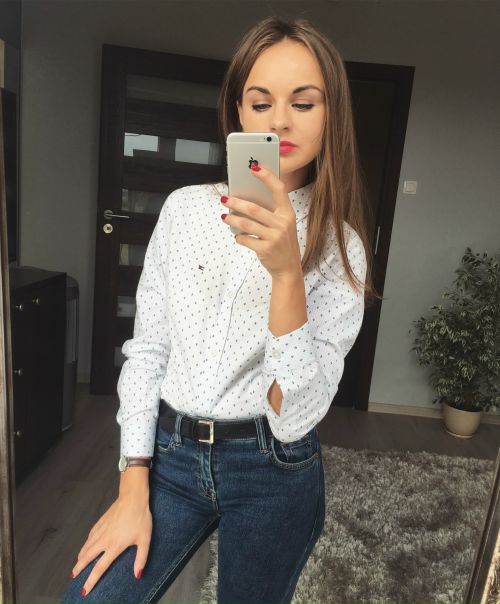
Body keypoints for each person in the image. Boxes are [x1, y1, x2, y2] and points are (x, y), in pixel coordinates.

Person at [61, 14, 377, 604]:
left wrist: (287, 273)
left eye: (303, 103)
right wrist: (132, 482)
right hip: (170, 459)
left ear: (331, 114)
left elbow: (295, 415)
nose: (279, 120)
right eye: (261, 102)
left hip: (272, 469)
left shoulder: (340, 247)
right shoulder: (184, 211)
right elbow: (148, 350)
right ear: (239, 113)